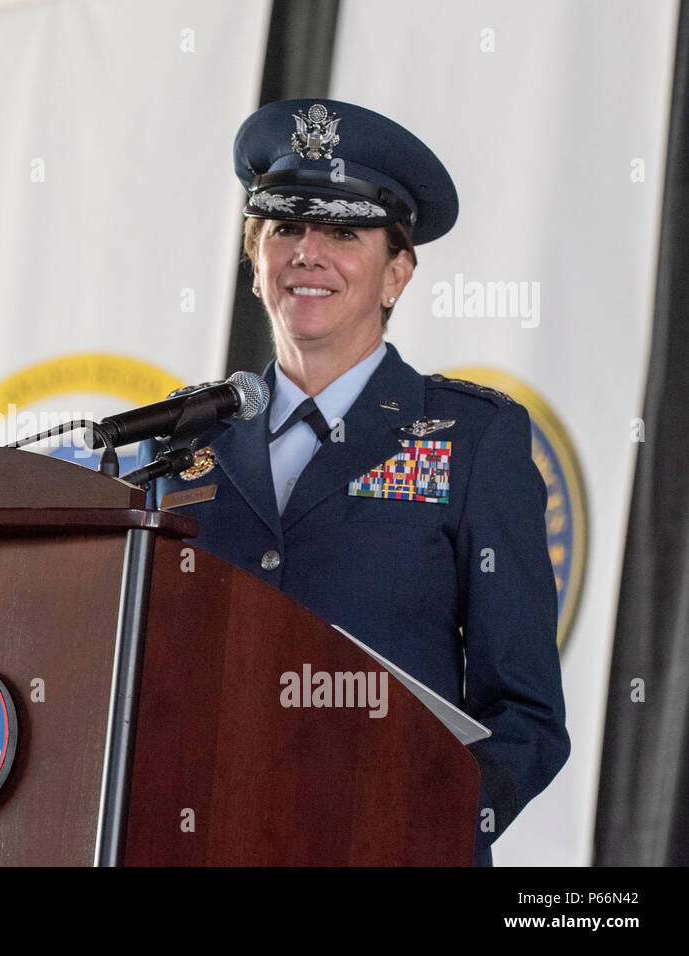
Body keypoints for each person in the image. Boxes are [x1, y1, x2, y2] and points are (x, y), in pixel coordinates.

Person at [141, 98, 569, 865]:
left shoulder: (473, 439)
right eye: (285, 229)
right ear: (255, 260)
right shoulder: (180, 445)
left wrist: (419, 823)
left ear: (396, 274)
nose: (308, 253)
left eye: (343, 232)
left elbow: (525, 714)